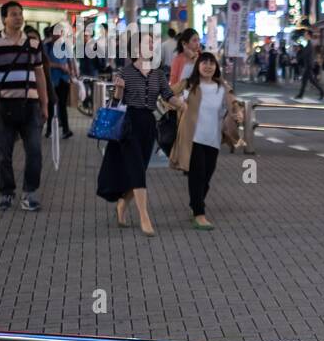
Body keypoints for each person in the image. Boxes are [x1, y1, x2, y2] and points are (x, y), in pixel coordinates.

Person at [96, 29, 185, 235]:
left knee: (139, 170)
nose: (152, 46)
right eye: (148, 42)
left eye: (153, 43)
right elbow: (114, 103)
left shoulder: (158, 73)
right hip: (129, 125)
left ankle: (122, 204)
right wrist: (118, 91)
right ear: (136, 48)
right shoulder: (124, 73)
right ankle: (144, 217)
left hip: (148, 125)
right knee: (137, 170)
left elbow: (167, 95)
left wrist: (181, 105)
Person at [0, 2, 50, 212]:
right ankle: (7, 193)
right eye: (13, 15)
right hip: (4, 105)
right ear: (4, 19)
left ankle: (29, 193)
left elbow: (40, 76)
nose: (18, 18)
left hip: (31, 105)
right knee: (3, 153)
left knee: (35, 151)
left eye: (20, 14)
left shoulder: (34, 44)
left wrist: (44, 104)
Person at [171, 52, 241, 230]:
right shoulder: (189, 84)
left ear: (216, 67)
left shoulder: (222, 86)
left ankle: (196, 203)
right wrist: (178, 103)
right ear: (198, 66)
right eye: (204, 62)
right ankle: (199, 214)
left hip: (214, 138)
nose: (208, 66)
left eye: (212, 63)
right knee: (198, 174)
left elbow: (234, 104)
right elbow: (167, 95)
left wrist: (237, 112)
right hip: (193, 138)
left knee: (207, 177)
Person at [43, 23, 76, 139]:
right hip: (51, 80)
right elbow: (45, 64)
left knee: (62, 105)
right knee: (51, 105)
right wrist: (59, 66)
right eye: (56, 32)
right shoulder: (46, 46)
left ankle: (66, 130)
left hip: (64, 79)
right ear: (52, 34)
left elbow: (70, 61)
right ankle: (49, 130)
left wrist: (72, 73)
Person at [168, 28, 201, 92]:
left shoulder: (201, 57)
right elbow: (173, 82)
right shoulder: (178, 60)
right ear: (184, 43)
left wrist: (194, 58)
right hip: (181, 96)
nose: (198, 43)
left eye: (198, 40)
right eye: (194, 40)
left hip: (197, 95)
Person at [296, 32, 324, 100]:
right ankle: (300, 95)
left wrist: (300, 50)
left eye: (305, 35)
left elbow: (305, 54)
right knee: (306, 81)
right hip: (308, 65)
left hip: (308, 66)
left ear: (308, 36)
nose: (304, 36)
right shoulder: (308, 44)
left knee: (311, 81)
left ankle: (322, 92)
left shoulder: (309, 44)